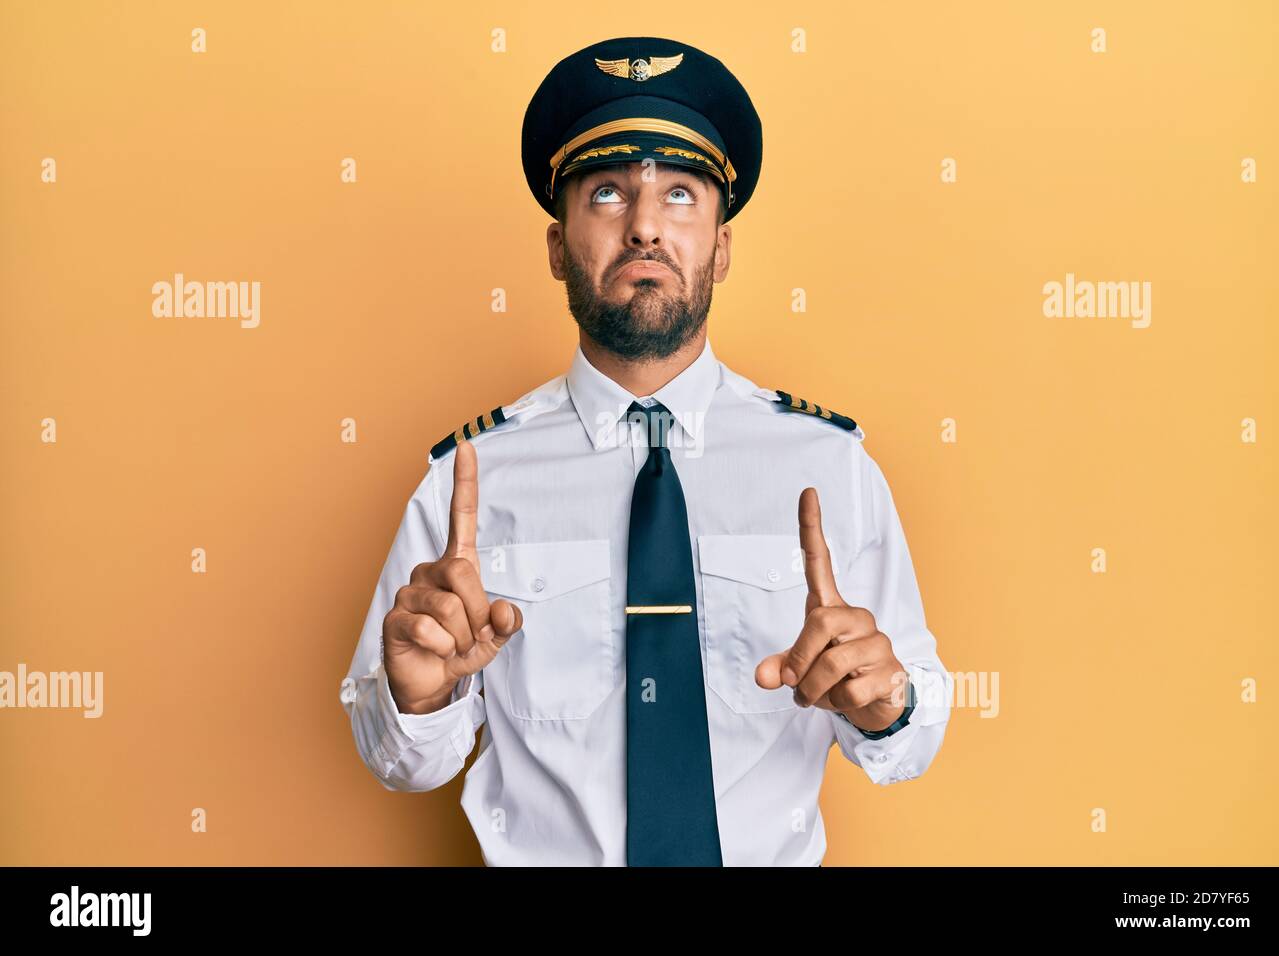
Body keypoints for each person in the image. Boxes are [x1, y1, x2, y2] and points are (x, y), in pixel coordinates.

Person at [339, 36, 950, 866]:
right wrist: (416, 699)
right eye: (606, 193)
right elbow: (403, 762)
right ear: (557, 247)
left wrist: (888, 704)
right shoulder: (467, 481)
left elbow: (909, 742)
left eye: (682, 195)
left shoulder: (829, 466)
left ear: (722, 248)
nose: (646, 227)